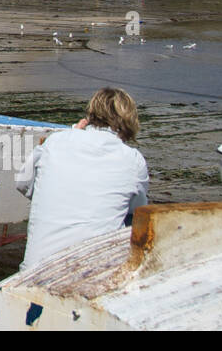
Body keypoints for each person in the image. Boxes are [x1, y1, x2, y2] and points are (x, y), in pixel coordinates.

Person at [15, 87, 149, 270]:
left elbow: (22, 182)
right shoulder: (132, 160)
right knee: (131, 218)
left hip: (33, 271)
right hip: (88, 277)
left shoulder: (55, 141)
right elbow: (138, 210)